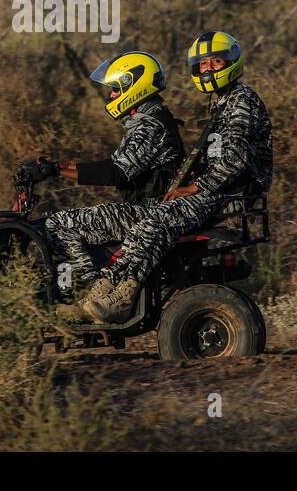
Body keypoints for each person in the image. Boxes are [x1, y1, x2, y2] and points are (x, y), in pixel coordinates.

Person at [79, 30, 273, 324]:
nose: (208, 69)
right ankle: (105, 287)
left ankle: (123, 296)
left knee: (155, 221)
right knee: (149, 215)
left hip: (226, 193)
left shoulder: (241, 100)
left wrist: (194, 187)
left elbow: (234, 159)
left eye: (216, 62)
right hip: (217, 190)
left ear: (231, 62)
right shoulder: (222, 100)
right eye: (202, 65)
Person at [33, 50, 185, 320]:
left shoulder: (151, 125)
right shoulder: (146, 119)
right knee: (57, 221)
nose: (112, 96)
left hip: (148, 214)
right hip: (143, 209)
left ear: (134, 87)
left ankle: (90, 293)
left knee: (57, 225)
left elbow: (115, 172)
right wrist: (52, 169)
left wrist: (55, 170)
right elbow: (114, 165)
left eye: (116, 89)